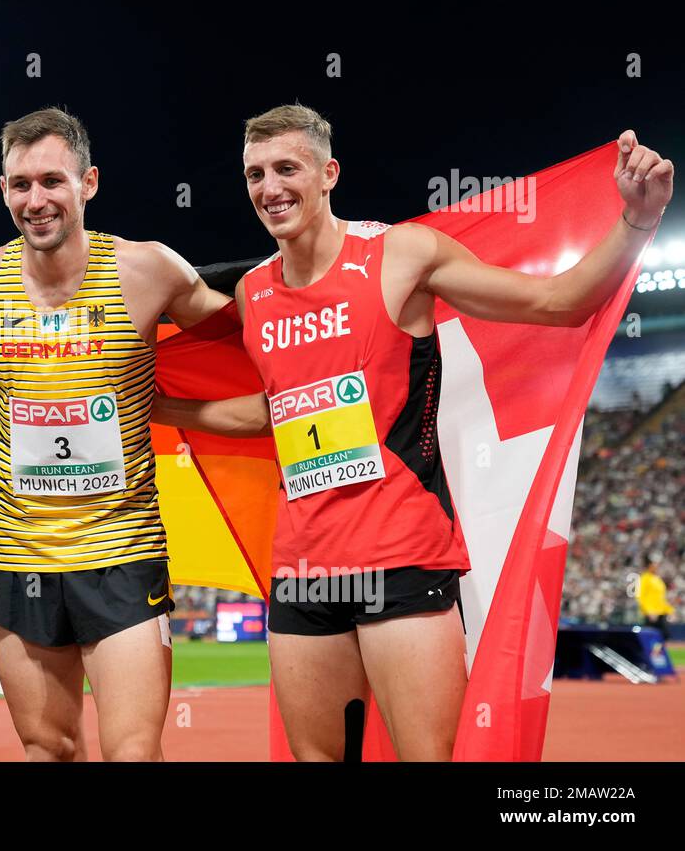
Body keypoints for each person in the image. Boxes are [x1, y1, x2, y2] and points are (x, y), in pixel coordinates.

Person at [153, 104, 674, 761]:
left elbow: (559, 303)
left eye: (287, 168)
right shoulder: (256, 293)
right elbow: (272, 412)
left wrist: (638, 219)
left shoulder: (401, 256)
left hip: (403, 558)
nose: (269, 188)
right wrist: (158, 408)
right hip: (304, 569)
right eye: (255, 174)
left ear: (328, 173)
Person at [0, 107, 228, 761]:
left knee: (132, 752)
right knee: (49, 747)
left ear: (88, 183)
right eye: (20, 184)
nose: (36, 200)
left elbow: (250, 332)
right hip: (19, 556)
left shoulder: (148, 270)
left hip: (122, 554)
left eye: (52, 181)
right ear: (3, 190)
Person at [638, 556, 674, 651]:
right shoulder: (645, 578)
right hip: (651, 613)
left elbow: (662, 598)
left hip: (660, 612)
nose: (656, 567)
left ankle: (655, 651)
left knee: (665, 634)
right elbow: (641, 596)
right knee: (649, 635)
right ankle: (649, 653)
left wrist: (670, 611)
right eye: (654, 564)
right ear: (649, 566)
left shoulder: (657, 579)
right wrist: (648, 611)